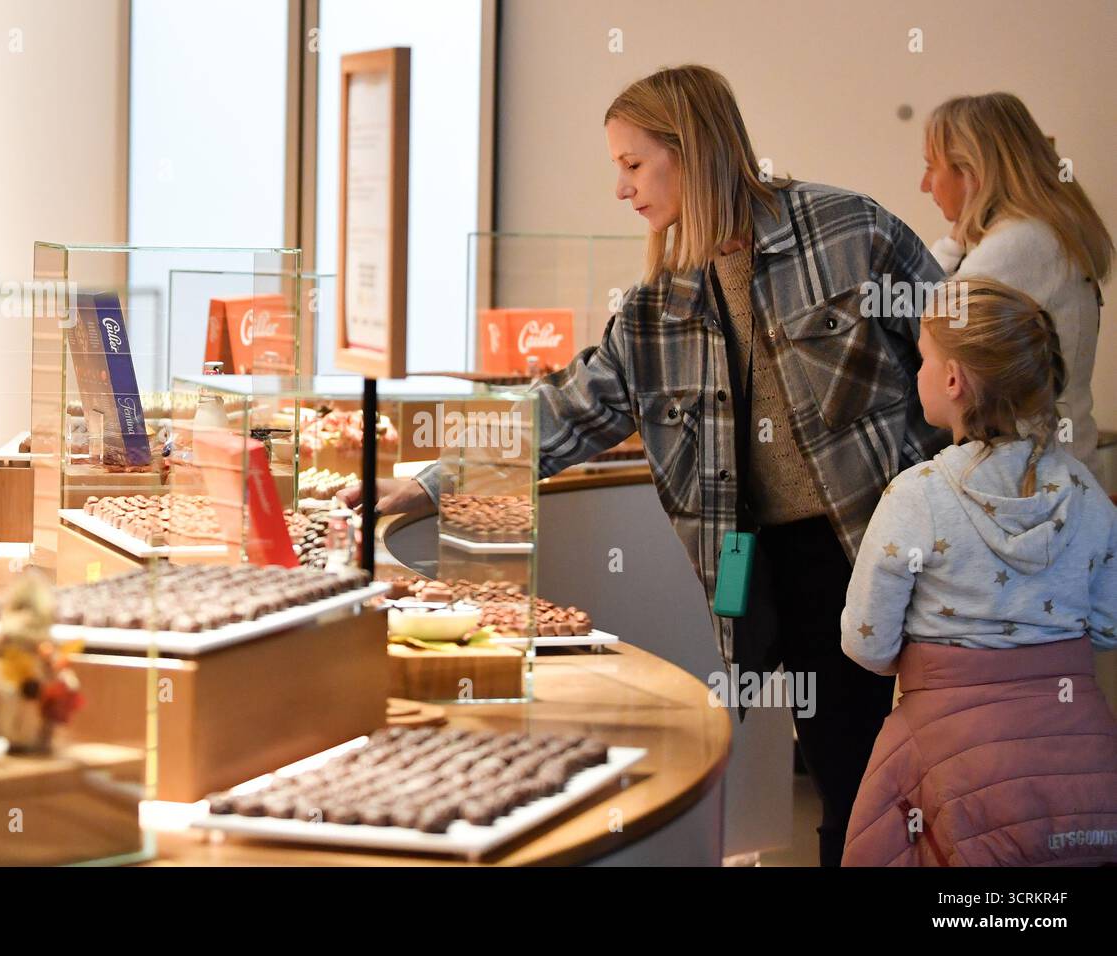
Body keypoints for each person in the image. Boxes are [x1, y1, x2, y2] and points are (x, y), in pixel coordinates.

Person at [344, 65, 948, 866]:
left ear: (691, 151)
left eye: (632, 164)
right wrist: (423, 484)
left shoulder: (849, 230)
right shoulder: (658, 301)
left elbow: (967, 349)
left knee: (937, 776)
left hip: (904, 548)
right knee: (850, 779)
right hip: (785, 569)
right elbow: (563, 411)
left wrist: (992, 491)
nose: (621, 189)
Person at [840, 278, 1117, 866]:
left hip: (949, 757)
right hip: (1082, 759)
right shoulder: (1087, 493)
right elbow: (1111, 626)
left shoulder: (916, 496)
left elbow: (865, 640)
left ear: (953, 380)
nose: (916, 373)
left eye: (923, 359)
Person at [921, 92, 1113, 474]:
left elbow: (927, 328)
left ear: (969, 172)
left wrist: (951, 243)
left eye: (931, 167)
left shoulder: (1019, 244)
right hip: (1061, 470)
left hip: (1032, 479)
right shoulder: (1047, 233)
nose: (925, 185)